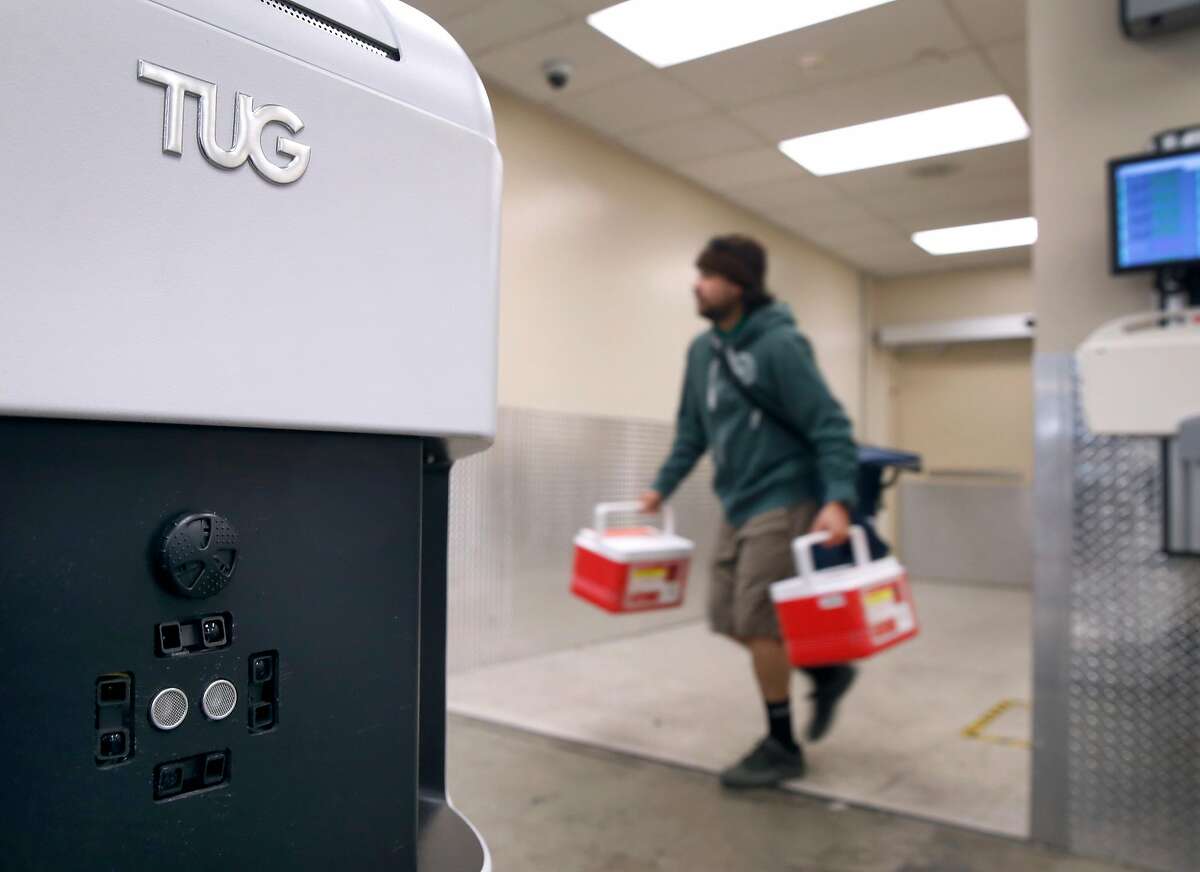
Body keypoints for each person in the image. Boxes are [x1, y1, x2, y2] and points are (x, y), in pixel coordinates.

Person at [640, 234, 859, 789]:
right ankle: (824, 669)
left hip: (784, 497)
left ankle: (782, 745)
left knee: (760, 619)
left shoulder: (781, 345)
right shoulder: (701, 352)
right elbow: (692, 431)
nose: (697, 283)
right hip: (737, 502)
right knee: (727, 616)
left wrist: (837, 499)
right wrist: (659, 489)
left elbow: (828, 424)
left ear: (739, 283)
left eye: (708, 275)